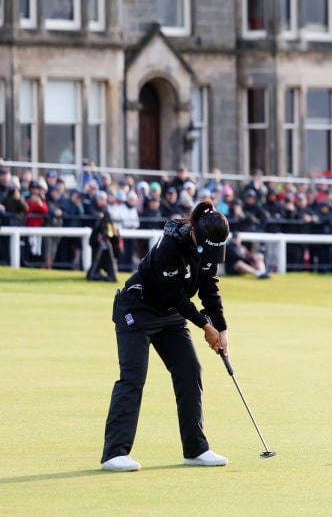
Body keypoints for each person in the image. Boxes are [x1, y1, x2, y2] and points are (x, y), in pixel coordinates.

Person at [101, 202, 232, 472]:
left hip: (170, 315)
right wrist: (205, 327)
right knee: (133, 377)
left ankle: (195, 450)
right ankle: (114, 454)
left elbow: (209, 287)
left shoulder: (209, 246)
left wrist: (221, 329)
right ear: (195, 233)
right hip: (137, 310)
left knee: (189, 371)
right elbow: (175, 296)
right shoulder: (169, 246)